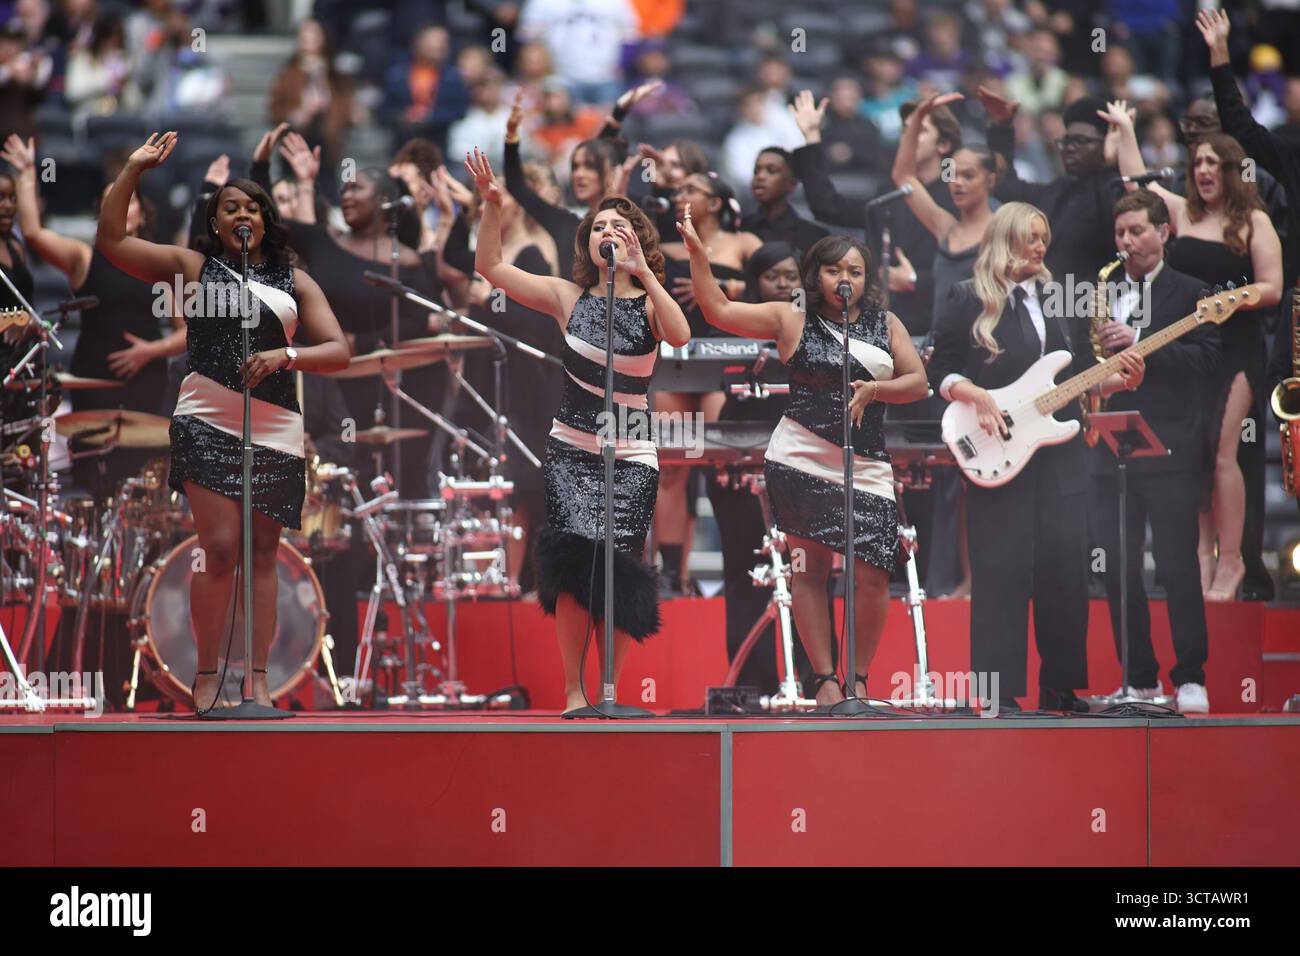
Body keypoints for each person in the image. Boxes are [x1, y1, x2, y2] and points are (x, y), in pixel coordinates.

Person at [96, 132, 350, 713]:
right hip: (206, 419)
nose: (242, 214)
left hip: (275, 426)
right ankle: (207, 675)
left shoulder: (295, 281)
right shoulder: (192, 266)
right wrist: (133, 168)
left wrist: (289, 355)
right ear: (214, 220)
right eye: (229, 206)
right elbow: (112, 241)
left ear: (266, 219)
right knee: (218, 546)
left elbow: (339, 350)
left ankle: (258, 683)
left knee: (264, 554)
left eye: (252, 206)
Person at [467, 148, 690, 714]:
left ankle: (610, 690)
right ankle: (574, 691)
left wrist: (642, 273)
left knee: (619, 567)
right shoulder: (568, 297)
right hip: (571, 449)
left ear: (638, 238)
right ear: (587, 243)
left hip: (633, 449)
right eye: (598, 227)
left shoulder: (648, 303)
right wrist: (493, 207)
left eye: (619, 226)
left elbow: (682, 335)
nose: (606, 232)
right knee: (570, 568)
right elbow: (490, 268)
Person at [684, 220, 929, 706]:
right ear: (815, 274)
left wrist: (876, 390)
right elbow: (716, 309)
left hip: (868, 462)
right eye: (835, 269)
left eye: (855, 271)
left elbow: (919, 382)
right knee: (809, 570)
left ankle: (858, 679)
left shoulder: (887, 324)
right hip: (801, 458)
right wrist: (696, 253)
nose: (846, 278)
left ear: (866, 278)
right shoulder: (789, 317)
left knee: (874, 571)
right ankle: (824, 681)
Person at [927, 201, 1146, 713]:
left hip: (1059, 452)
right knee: (1000, 568)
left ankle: (1060, 686)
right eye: (1030, 237)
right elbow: (943, 368)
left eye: (1044, 237)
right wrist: (975, 395)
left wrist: (1122, 378)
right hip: (996, 444)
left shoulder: (1059, 297)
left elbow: (1083, 375)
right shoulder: (966, 297)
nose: (1040, 247)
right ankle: (997, 691)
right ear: (1005, 238)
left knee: (1066, 566)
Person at [1101, 98, 1283, 602]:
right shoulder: (1183, 213)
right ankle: (1201, 557)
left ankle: (1235, 561)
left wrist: (1229, 300)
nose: (1202, 170)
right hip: (1190, 349)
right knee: (1195, 455)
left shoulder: (1253, 222)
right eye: (1196, 163)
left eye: (1212, 163)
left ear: (1230, 170)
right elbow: (1137, 187)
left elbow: (1272, 286)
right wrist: (1125, 127)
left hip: (1238, 349)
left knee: (1226, 451)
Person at [1093, 189, 1219, 713]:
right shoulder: (1099, 290)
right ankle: (1138, 678)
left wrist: (1140, 339)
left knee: (1175, 563)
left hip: (1170, 444)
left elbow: (1207, 360)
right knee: (1115, 564)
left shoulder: (1194, 291)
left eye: (1136, 231)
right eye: (1120, 233)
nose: (1126, 242)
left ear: (1164, 232)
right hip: (1109, 444)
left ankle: (1190, 676)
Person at [702, 240, 811, 693]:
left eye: (791, 276)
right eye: (773, 277)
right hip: (740, 454)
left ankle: (812, 679)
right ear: (753, 283)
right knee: (746, 570)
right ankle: (749, 684)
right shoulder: (733, 327)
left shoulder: (820, 329)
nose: (783, 285)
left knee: (806, 572)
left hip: (803, 458)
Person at [657, 171, 761, 594]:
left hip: (724, 364)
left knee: (726, 469)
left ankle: (739, 568)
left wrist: (734, 286)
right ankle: (671, 576)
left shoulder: (744, 244)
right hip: (675, 365)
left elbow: (782, 285)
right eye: (677, 190)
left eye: (691, 191)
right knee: (669, 470)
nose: (680, 195)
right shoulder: (662, 249)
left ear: (716, 202)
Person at [747, 146, 828, 253]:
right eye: (756, 171)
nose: (760, 176)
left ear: (792, 184)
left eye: (771, 171)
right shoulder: (737, 229)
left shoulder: (815, 237)